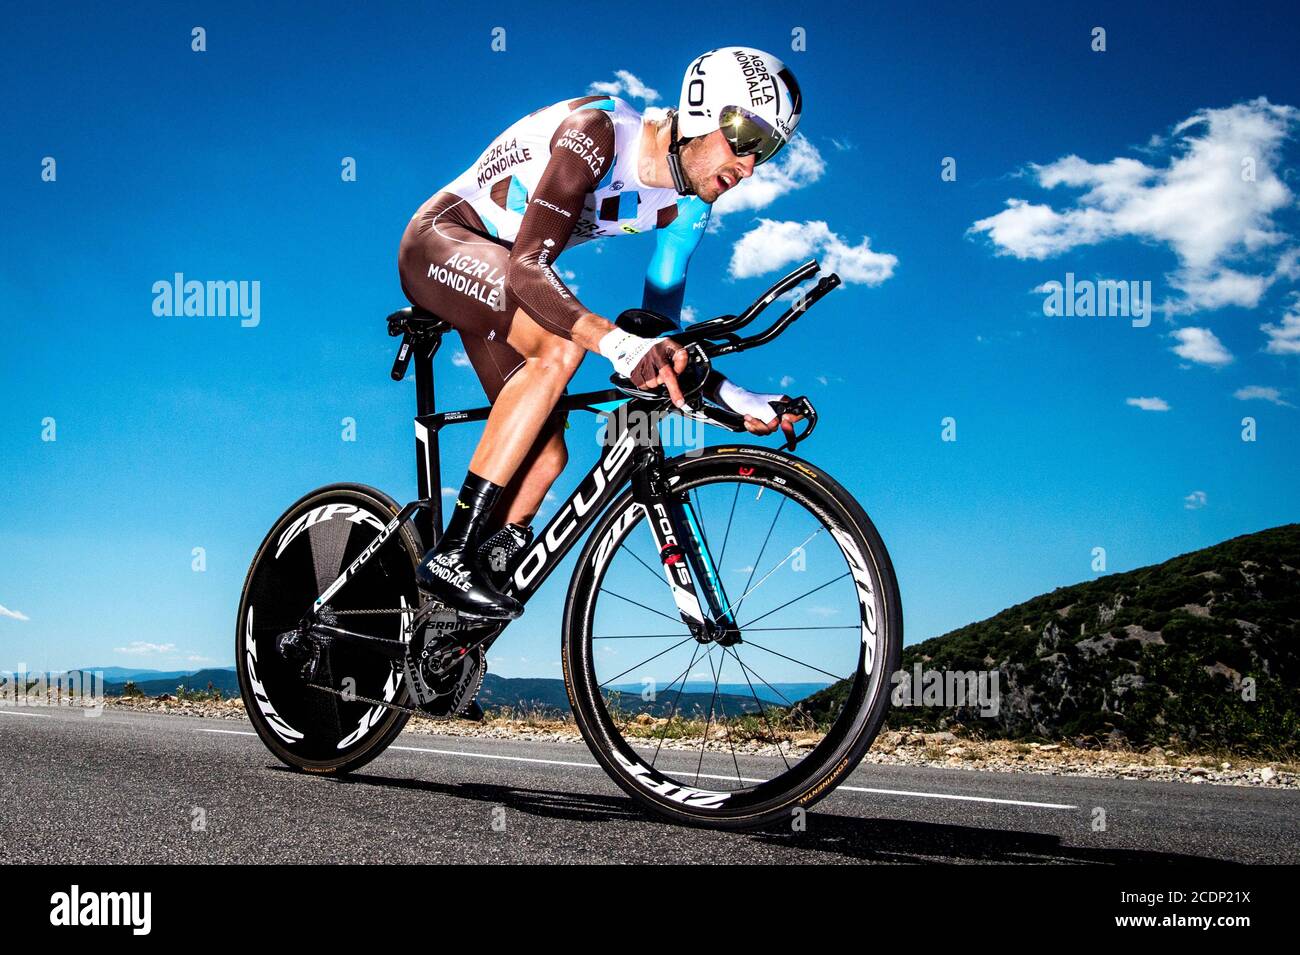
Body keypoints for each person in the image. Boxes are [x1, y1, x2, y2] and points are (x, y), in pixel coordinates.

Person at [398, 46, 804, 621]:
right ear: (698, 108)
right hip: (443, 240)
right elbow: (527, 268)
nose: (750, 165)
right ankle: (451, 555)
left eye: (768, 149)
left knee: (547, 456)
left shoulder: (685, 209)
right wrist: (616, 343)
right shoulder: (599, 131)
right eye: (745, 135)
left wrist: (740, 400)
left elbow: (661, 334)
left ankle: (446, 625)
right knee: (561, 348)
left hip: (503, 272)